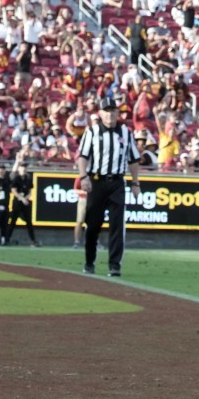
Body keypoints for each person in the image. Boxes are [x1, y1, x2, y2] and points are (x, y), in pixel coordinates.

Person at [76, 96, 142, 277]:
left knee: (117, 224)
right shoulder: (92, 132)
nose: (110, 114)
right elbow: (82, 156)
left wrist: (135, 183)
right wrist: (84, 177)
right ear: (100, 113)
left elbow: (134, 159)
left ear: (117, 113)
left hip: (117, 183)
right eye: (107, 110)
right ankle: (90, 261)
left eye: (113, 110)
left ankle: (115, 264)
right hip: (96, 181)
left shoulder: (126, 132)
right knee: (93, 224)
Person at [7, 157, 40, 247]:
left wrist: (27, 197)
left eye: (25, 167)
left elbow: (30, 190)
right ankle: (7, 239)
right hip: (18, 202)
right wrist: (22, 198)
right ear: (19, 169)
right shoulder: (16, 178)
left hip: (26, 202)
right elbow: (14, 191)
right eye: (22, 167)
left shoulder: (28, 178)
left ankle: (33, 240)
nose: (24, 169)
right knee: (13, 221)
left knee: (29, 222)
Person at [72, 173, 88, 249]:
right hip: (83, 199)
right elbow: (75, 189)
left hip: (94, 200)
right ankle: (77, 242)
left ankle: (94, 242)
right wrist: (85, 193)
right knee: (79, 221)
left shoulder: (95, 176)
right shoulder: (81, 177)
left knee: (94, 222)